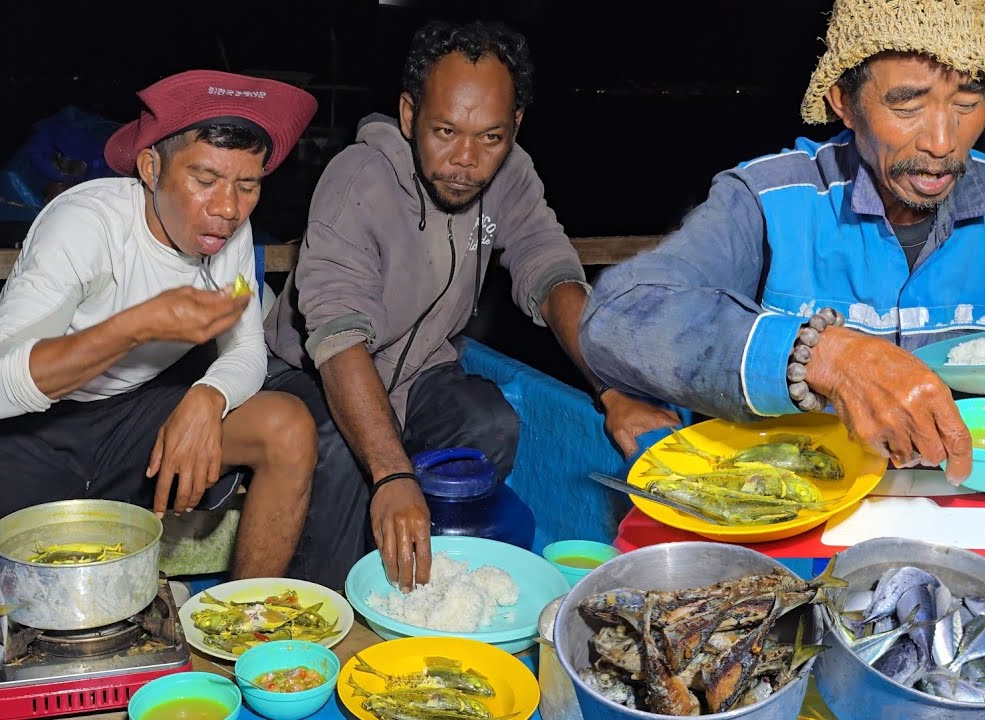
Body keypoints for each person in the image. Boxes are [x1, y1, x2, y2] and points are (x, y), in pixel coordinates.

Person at [264, 20, 679, 592]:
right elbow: (336, 336)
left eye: (491, 136)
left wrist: (613, 391)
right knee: (335, 453)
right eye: (445, 130)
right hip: (309, 370)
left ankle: (433, 588)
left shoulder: (510, 176)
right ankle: (327, 607)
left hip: (420, 371)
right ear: (410, 115)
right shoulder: (359, 180)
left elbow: (554, 276)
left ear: (516, 127)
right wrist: (390, 476)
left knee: (489, 422)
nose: (466, 159)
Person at [0, 70, 322, 579]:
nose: (227, 208)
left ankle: (249, 627)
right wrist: (133, 327)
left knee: (287, 427)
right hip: (35, 430)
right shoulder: (84, 224)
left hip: (143, 423)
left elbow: (245, 349)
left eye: (248, 185)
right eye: (204, 180)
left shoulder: (227, 230)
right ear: (151, 168)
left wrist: (208, 396)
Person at [580, 0, 985, 486]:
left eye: (966, 103)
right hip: (796, 507)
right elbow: (618, 317)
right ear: (844, 105)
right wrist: (822, 356)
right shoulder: (766, 199)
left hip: (967, 507)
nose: (941, 142)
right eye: (908, 105)